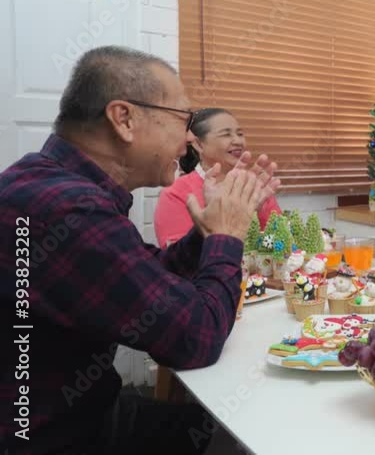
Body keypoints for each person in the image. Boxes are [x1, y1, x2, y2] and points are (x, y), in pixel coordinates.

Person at [0, 46, 280, 454]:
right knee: (244, 435)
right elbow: (196, 339)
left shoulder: (44, 180)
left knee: (229, 428)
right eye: (184, 120)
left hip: (82, 411)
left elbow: (144, 275)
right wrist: (228, 236)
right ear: (124, 119)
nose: (189, 136)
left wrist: (204, 236)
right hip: (52, 437)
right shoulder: (68, 210)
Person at [154, 108, 281, 248]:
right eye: (226, 134)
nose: (238, 141)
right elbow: (178, 261)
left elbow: (280, 240)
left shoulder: (253, 186)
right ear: (198, 144)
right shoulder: (175, 194)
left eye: (240, 134)